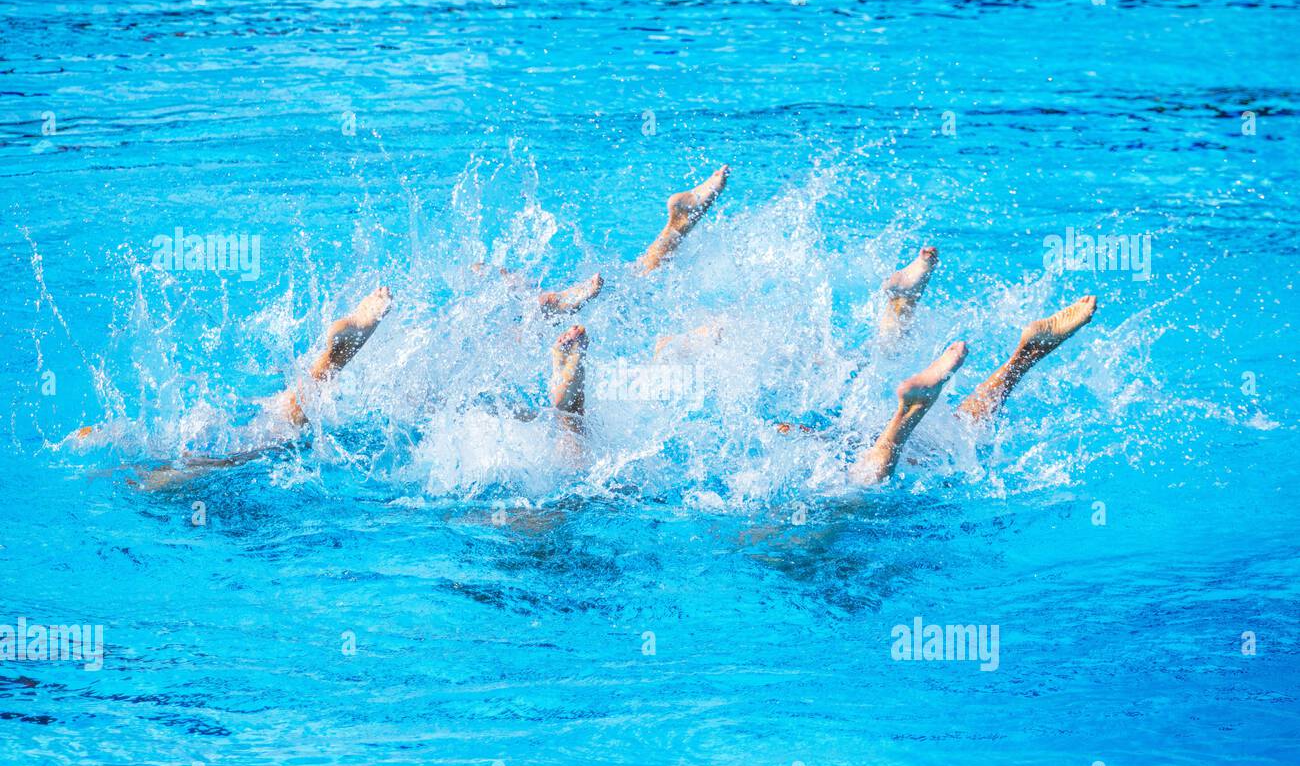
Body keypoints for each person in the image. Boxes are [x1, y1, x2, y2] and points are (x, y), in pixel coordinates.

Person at [72, 164, 1097, 491]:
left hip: (531, 392)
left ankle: (600, 308)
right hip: (670, 372)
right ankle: (912, 328)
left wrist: (123, 453)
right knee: (681, 366)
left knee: (296, 415)